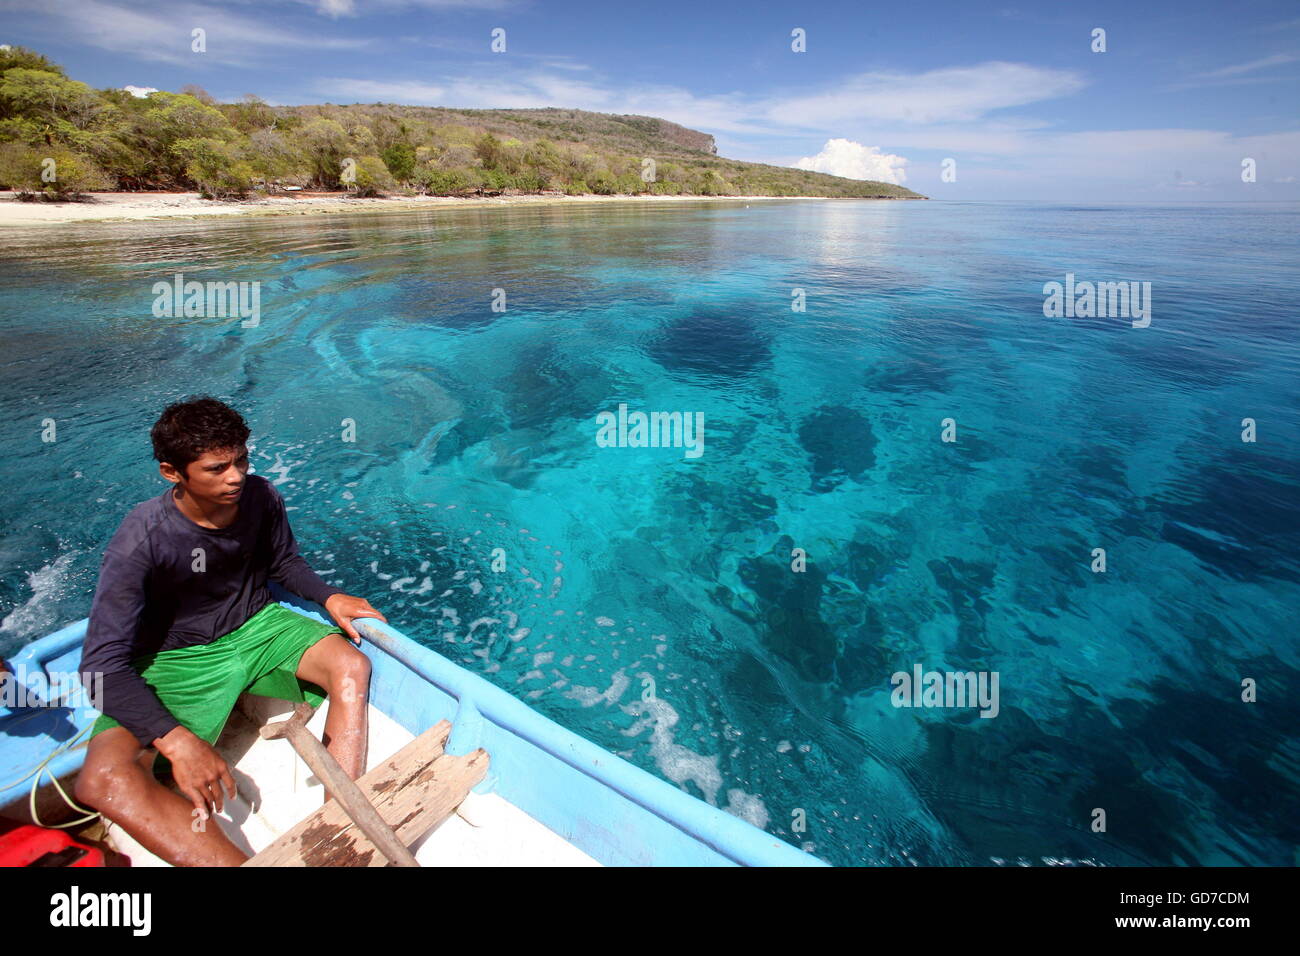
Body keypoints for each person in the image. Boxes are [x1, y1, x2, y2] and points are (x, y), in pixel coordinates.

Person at [74, 396, 387, 866]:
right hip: (176, 657)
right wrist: (176, 741)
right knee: (103, 780)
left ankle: (339, 830)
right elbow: (100, 666)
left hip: (258, 627)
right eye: (217, 468)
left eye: (241, 459)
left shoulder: (260, 496)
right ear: (171, 472)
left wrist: (327, 595)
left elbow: (283, 562)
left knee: (350, 665)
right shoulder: (140, 540)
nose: (236, 476)